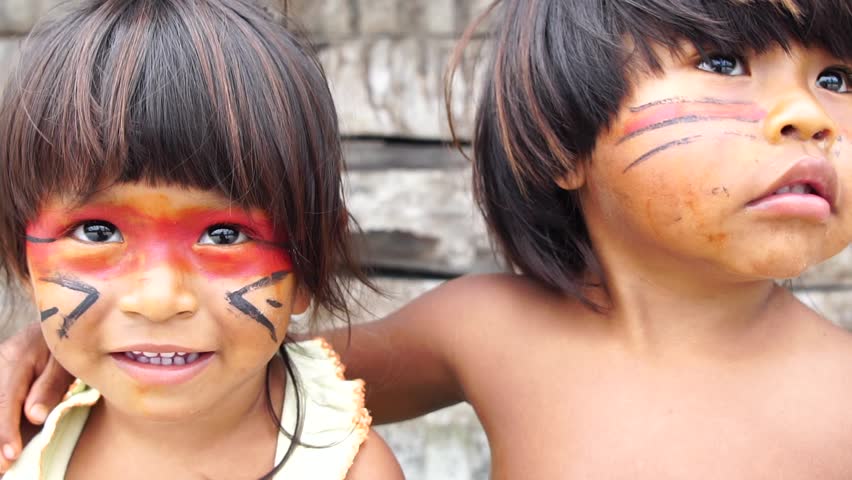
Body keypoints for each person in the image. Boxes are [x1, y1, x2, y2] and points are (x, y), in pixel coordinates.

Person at [4, 0, 852, 477]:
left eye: (836, 76)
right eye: (724, 63)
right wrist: (53, 343)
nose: (808, 115)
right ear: (561, 139)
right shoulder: (488, 330)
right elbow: (242, 360)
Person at [0, 0, 403, 478]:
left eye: (225, 234)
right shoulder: (17, 449)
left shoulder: (349, 470)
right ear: (21, 260)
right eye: (97, 232)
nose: (158, 300)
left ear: (311, 264)